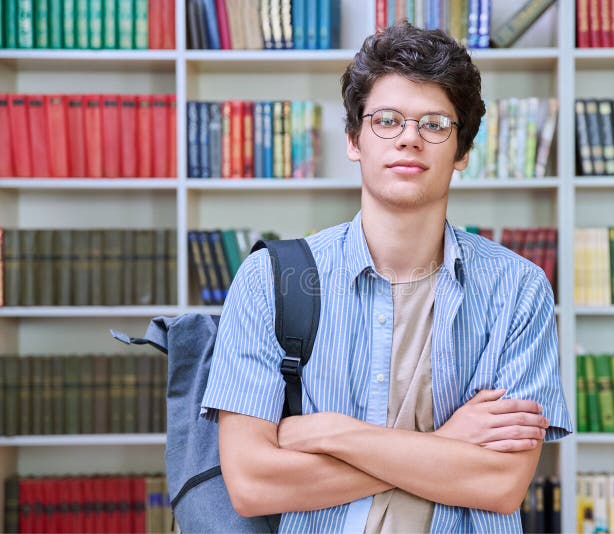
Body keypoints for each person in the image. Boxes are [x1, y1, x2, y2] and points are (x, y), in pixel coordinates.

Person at [201, 21, 572, 533]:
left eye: (435, 124)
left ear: (462, 151)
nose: (410, 139)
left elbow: (500, 485)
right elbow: (251, 484)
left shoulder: (518, 290)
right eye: (387, 120)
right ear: (354, 139)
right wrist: (447, 444)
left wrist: (330, 432)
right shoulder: (270, 280)